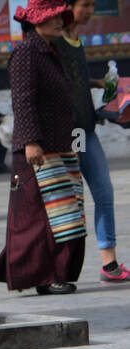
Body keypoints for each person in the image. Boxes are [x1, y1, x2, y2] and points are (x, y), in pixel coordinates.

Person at [0, 1, 85, 296]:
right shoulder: (26, 53)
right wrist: (31, 141)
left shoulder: (51, 51)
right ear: (36, 22)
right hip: (38, 148)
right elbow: (23, 101)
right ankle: (46, 277)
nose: (59, 21)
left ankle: (56, 273)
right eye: (53, 17)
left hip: (60, 144)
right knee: (43, 218)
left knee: (65, 214)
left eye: (60, 16)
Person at [61, 0, 129, 282]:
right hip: (72, 132)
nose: (89, 11)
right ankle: (62, 266)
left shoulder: (76, 38)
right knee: (71, 199)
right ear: (67, 6)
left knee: (104, 192)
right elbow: (60, 85)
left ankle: (109, 263)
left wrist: (99, 84)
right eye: (84, 5)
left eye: (92, 5)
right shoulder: (57, 40)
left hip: (86, 128)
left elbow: (76, 79)